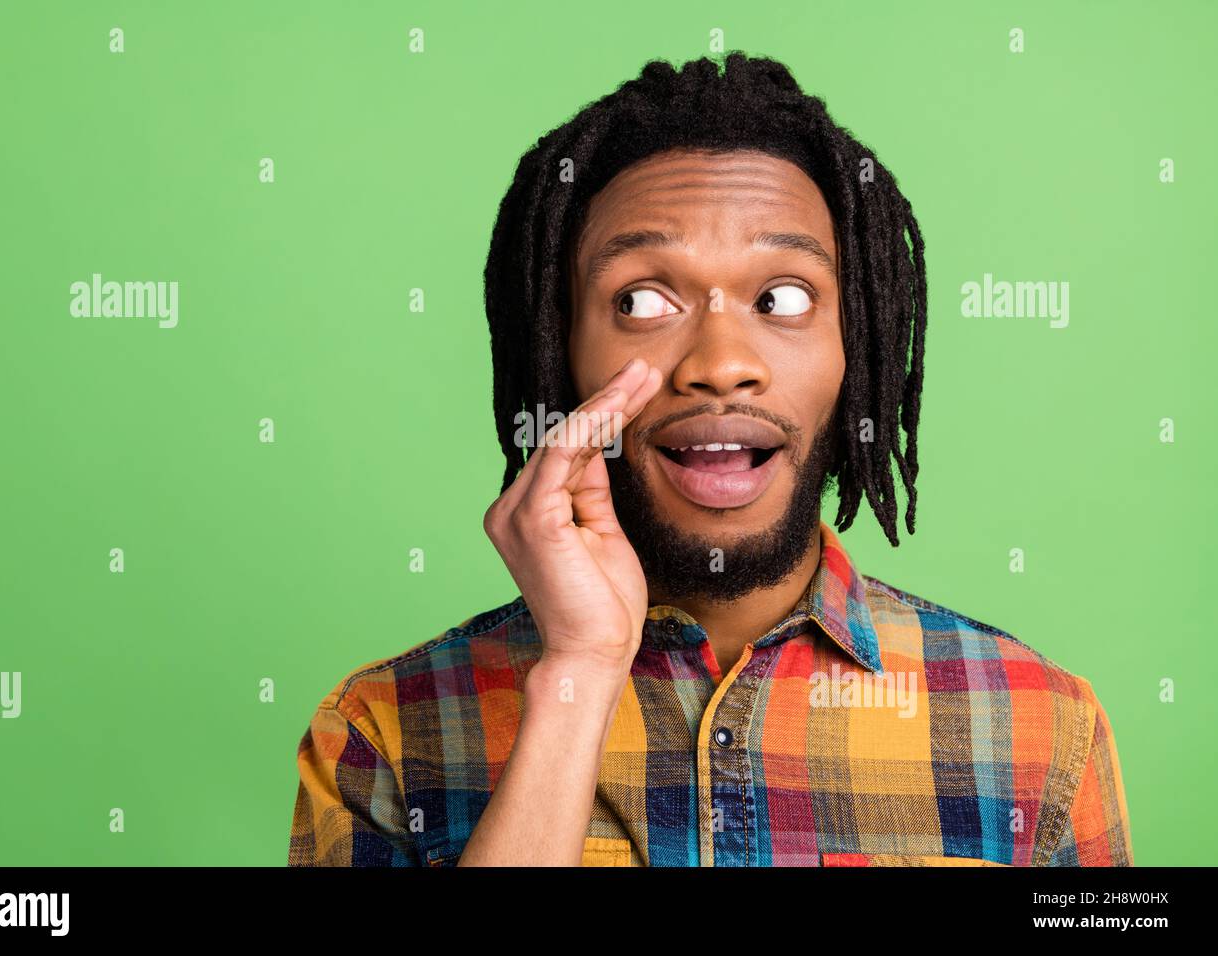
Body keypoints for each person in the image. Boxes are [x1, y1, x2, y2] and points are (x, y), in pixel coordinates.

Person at [288, 52, 1132, 867]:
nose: (721, 363)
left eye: (783, 297)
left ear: (858, 347)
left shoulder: (1040, 730)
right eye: (641, 300)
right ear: (558, 354)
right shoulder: (382, 736)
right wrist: (577, 678)